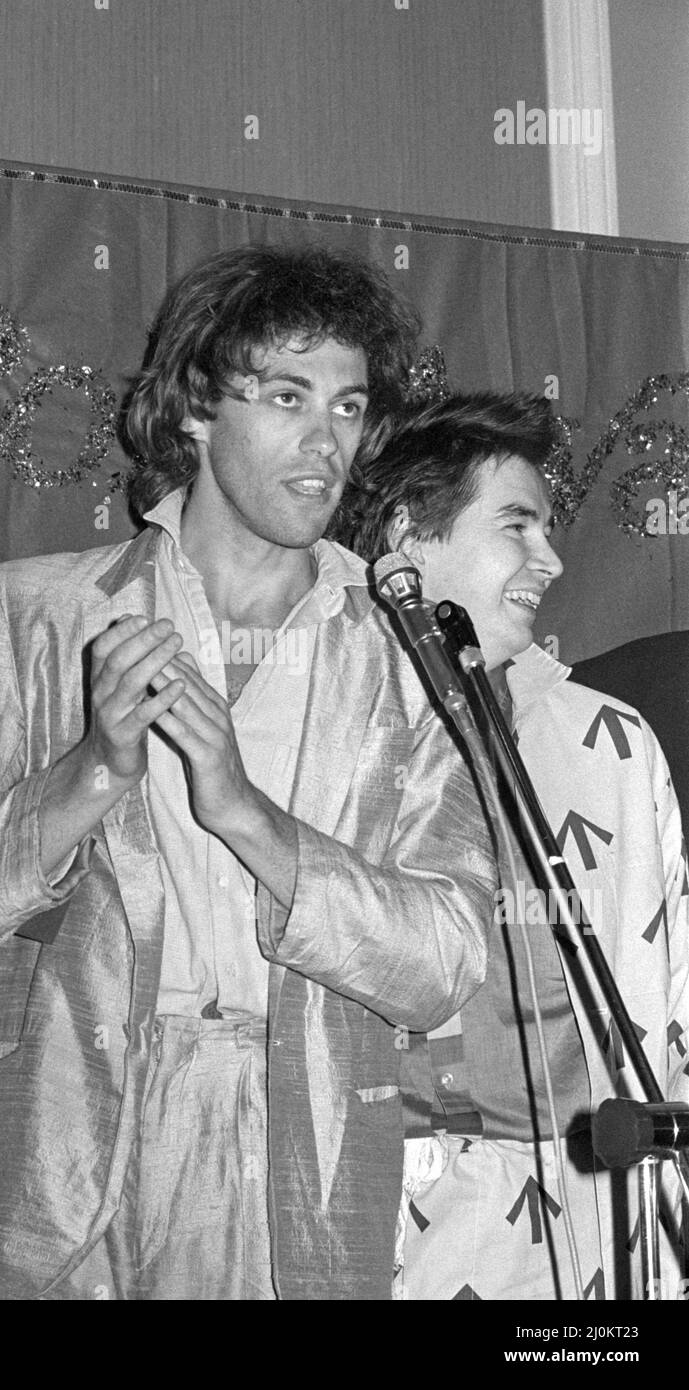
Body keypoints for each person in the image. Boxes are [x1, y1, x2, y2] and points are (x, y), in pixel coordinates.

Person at [0, 244, 497, 1302]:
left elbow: (446, 964)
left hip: (301, 1175)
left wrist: (250, 817)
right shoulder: (39, 614)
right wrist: (91, 772)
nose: (325, 440)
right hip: (64, 1175)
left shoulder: (411, 655)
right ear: (197, 409)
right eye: (288, 396)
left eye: (348, 407)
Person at [332, 390, 689, 1300]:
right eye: (517, 526)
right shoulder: (317, 731)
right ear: (409, 539)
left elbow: (672, 990)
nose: (551, 559)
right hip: (397, 1214)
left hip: (603, 1206)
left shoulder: (604, 738)